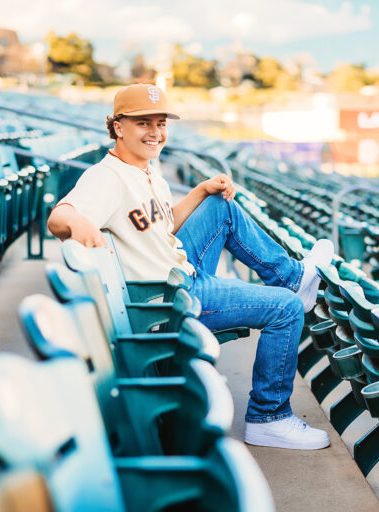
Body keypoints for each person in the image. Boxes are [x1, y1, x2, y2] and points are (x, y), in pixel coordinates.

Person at [47, 83, 333, 450]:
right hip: (170, 298)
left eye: (161, 123)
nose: (155, 132)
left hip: (176, 268)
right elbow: (59, 216)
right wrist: (77, 222)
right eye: (142, 123)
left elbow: (164, 227)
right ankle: (269, 418)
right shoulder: (106, 176)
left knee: (221, 206)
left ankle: (293, 277)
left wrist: (199, 191)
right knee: (286, 308)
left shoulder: (147, 169)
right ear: (117, 126)